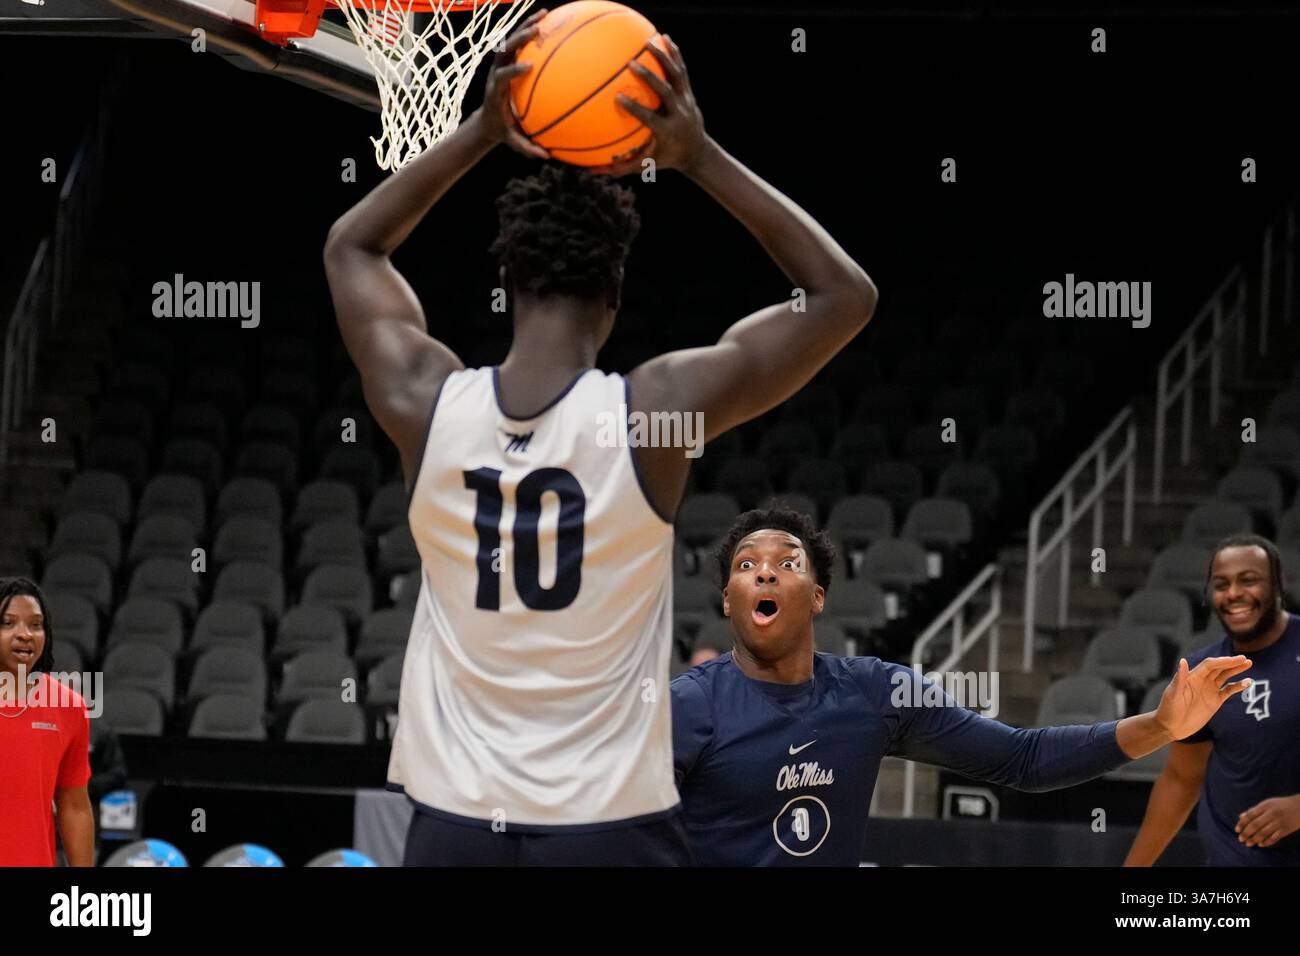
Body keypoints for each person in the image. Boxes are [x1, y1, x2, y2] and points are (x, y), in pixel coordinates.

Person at [323, 14, 877, 865]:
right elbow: (842, 295)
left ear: (505, 279)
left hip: (455, 827)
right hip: (606, 827)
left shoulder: (421, 401)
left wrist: (482, 130)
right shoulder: (654, 415)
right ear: (615, 294)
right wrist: (698, 156)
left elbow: (353, 246)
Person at [670, 509, 1254, 866]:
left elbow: (1023, 759)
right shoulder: (690, 705)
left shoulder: (875, 694)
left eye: (788, 561)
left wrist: (1161, 726)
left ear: (818, 597)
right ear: (727, 600)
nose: (766, 570)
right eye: (746, 565)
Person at [1125, 534, 1300, 865]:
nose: (1233, 594)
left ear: (1279, 584)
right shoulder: (1201, 673)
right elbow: (1181, 779)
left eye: (1248, 580)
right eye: (1221, 584)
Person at [0, 577, 94, 867]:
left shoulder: (68, 706)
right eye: (8, 623)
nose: (24, 634)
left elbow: (74, 806)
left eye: (36, 625)